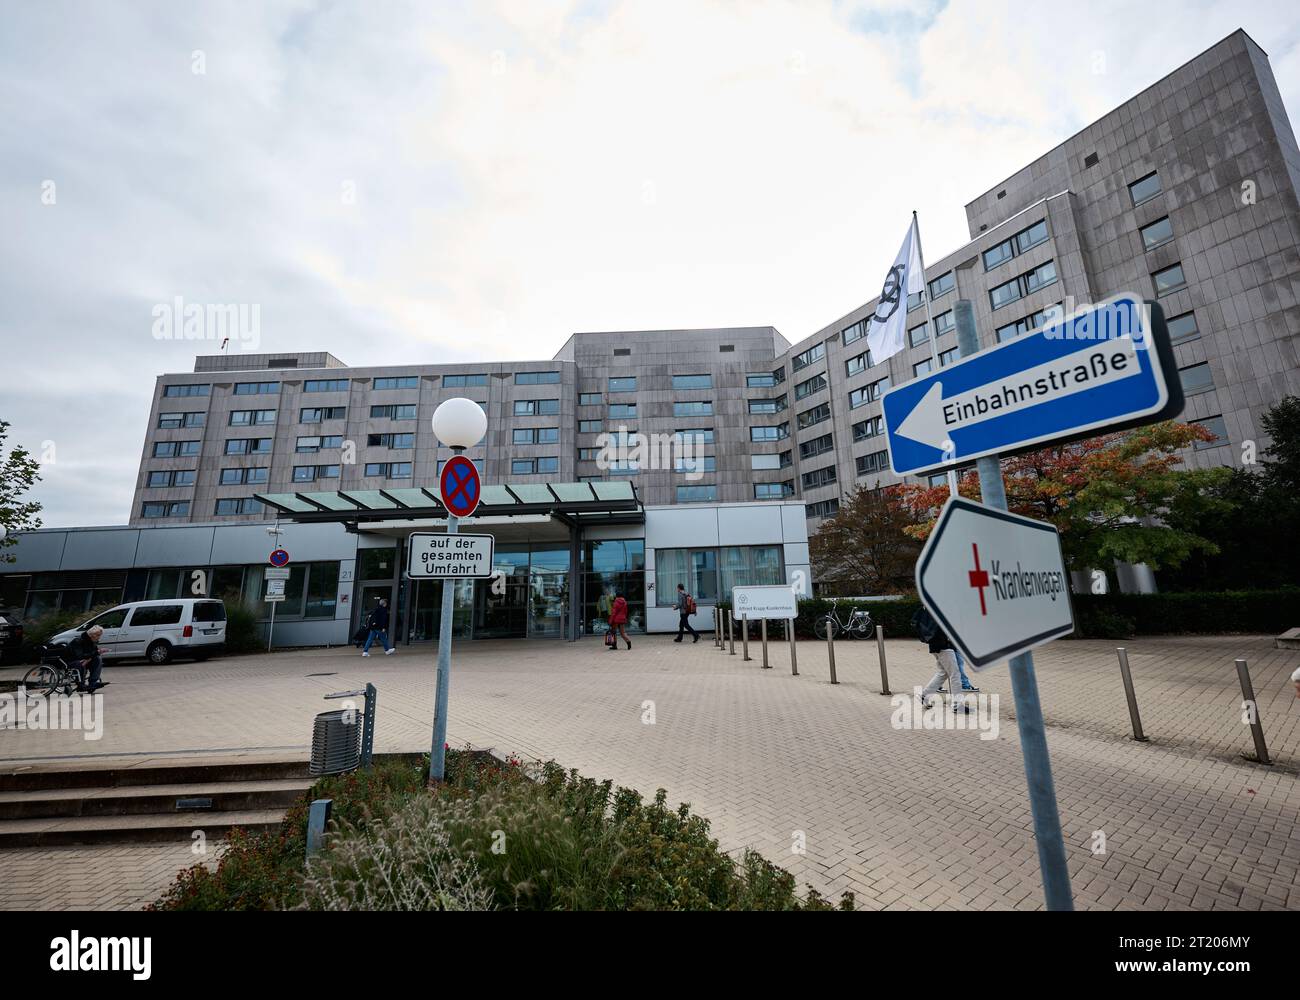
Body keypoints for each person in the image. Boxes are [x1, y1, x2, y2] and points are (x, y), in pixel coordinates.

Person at [913, 607, 968, 713]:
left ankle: (924, 696)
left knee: (943, 673)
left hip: (936, 645)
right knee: (955, 674)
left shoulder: (930, 608)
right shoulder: (940, 608)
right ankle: (957, 705)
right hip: (944, 645)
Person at [65, 624, 106, 692]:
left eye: (100, 635)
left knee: (98, 659)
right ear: (91, 635)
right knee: (82, 662)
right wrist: (96, 653)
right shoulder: (78, 641)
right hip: (71, 661)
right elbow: (79, 656)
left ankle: (93, 683)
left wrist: (91, 657)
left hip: (83, 660)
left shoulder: (92, 642)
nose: (99, 637)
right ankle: (81, 685)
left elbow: (93, 654)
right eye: (98, 635)